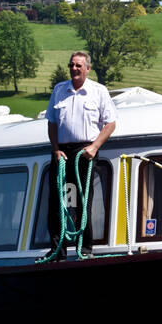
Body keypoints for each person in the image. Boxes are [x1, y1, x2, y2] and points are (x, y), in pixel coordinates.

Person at [44, 51, 117, 257]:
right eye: (71, 65)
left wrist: (94, 147)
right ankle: (58, 251)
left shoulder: (99, 91)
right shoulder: (59, 90)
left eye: (78, 66)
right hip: (62, 152)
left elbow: (110, 124)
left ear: (87, 69)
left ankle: (85, 250)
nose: (74, 69)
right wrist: (55, 148)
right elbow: (52, 122)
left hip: (85, 152)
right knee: (58, 201)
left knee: (84, 201)